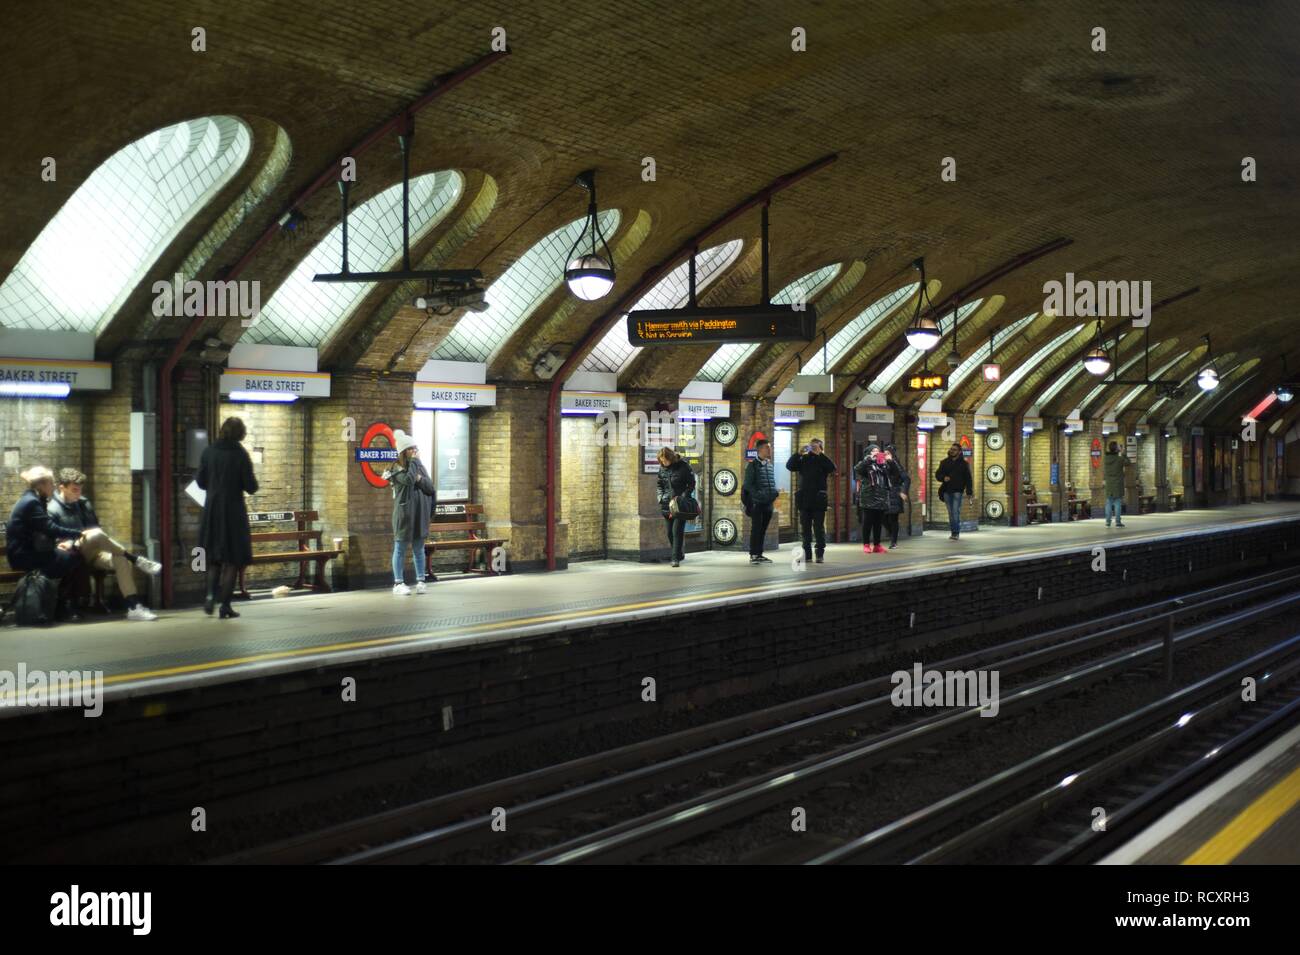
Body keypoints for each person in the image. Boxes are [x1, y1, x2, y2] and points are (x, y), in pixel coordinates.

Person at [47, 467, 161, 621]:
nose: (79, 493)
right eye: (74, 490)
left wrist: (89, 535)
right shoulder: (52, 509)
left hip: (93, 550)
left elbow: (95, 527)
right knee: (97, 535)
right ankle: (136, 559)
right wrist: (71, 540)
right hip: (72, 551)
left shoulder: (83, 503)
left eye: (80, 489)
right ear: (62, 487)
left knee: (120, 559)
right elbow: (54, 538)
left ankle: (133, 607)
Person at [197, 416, 259, 618]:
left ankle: (208, 596)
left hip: (212, 511)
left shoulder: (209, 451)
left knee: (214, 559)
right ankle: (225, 606)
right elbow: (251, 487)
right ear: (240, 433)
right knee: (233, 560)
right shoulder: (240, 454)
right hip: (233, 512)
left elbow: (200, 482)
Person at [6, 467, 84, 620]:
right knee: (74, 557)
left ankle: (60, 605)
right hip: (24, 556)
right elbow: (50, 528)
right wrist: (79, 533)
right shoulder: (31, 502)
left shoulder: (31, 498)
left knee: (69, 555)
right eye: (51, 483)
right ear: (41, 485)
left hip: (28, 552)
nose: (53, 486)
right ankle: (61, 607)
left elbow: (42, 530)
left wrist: (55, 546)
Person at [382, 429, 435, 595]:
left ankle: (421, 580)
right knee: (400, 548)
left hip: (419, 514)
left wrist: (420, 475)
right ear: (404, 452)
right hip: (404, 515)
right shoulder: (395, 470)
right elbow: (410, 480)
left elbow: (430, 487)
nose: (415, 452)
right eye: (411, 449)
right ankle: (398, 583)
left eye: (415, 448)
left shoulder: (418, 466)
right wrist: (415, 465)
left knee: (419, 549)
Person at [786, 438, 837, 563]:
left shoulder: (822, 460)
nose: (813, 448)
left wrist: (820, 454)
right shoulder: (804, 459)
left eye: (816, 446)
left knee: (819, 528)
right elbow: (790, 466)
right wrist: (798, 453)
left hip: (819, 500)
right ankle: (807, 555)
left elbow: (832, 468)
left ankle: (819, 554)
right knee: (805, 529)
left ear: (821, 447)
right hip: (804, 499)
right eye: (812, 446)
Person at [656, 447, 696, 567]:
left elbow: (692, 483)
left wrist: (683, 496)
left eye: (665, 460)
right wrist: (660, 497)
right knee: (669, 533)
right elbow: (659, 484)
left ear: (670, 458)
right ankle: (678, 553)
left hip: (679, 505)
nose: (664, 463)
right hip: (666, 504)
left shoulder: (683, 466)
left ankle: (675, 559)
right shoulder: (662, 469)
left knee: (676, 531)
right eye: (661, 461)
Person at [741, 439, 779, 563]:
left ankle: (759, 553)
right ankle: (753, 554)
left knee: (763, 529)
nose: (770, 450)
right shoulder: (752, 466)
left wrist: (774, 493)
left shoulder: (769, 465)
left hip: (768, 502)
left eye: (770, 447)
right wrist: (758, 495)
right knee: (756, 529)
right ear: (760, 449)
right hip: (757, 503)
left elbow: (770, 482)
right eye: (767, 447)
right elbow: (747, 485)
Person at [855, 443, 895, 554]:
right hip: (868, 498)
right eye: (873, 451)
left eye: (878, 451)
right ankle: (866, 544)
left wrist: (891, 461)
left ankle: (877, 545)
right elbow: (857, 469)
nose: (876, 453)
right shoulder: (865, 464)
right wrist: (869, 459)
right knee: (867, 522)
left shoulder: (884, 465)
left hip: (882, 498)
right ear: (868, 453)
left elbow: (896, 473)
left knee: (878, 523)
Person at [935, 442, 974, 540]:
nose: (952, 451)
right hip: (947, 491)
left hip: (958, 491)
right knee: (951, 513)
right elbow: (938, 475)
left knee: (955, 512)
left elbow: (968, 479)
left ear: (959, 452)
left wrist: (969, 492)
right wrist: (943, 478)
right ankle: (953, 532)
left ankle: (956, 533)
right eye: (951, 449)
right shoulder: (944, 462)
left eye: (954, 450)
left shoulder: (964, 464)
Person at [883, 445, 910, 549]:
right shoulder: (881, 465)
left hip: (894, 494)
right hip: (883, 494)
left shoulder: (896, 465)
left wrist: (904, 492)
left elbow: (906, 479)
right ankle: (891, 533)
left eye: (888, 453)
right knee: (883, 518)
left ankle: (893, 542)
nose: (886, 455)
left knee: (893, 518)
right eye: (884, 453)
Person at [1103, 441, 1131, 527]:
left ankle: (1108, 522)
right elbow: (1128, 462)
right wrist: (1123, 453)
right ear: (1116, 449)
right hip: (1118, 485)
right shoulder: (1119, 459)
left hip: (1109, 485)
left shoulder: (1105, 458)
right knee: (1118, 503)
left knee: (1108, 503)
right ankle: (1118, 522)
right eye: (1118, 447)